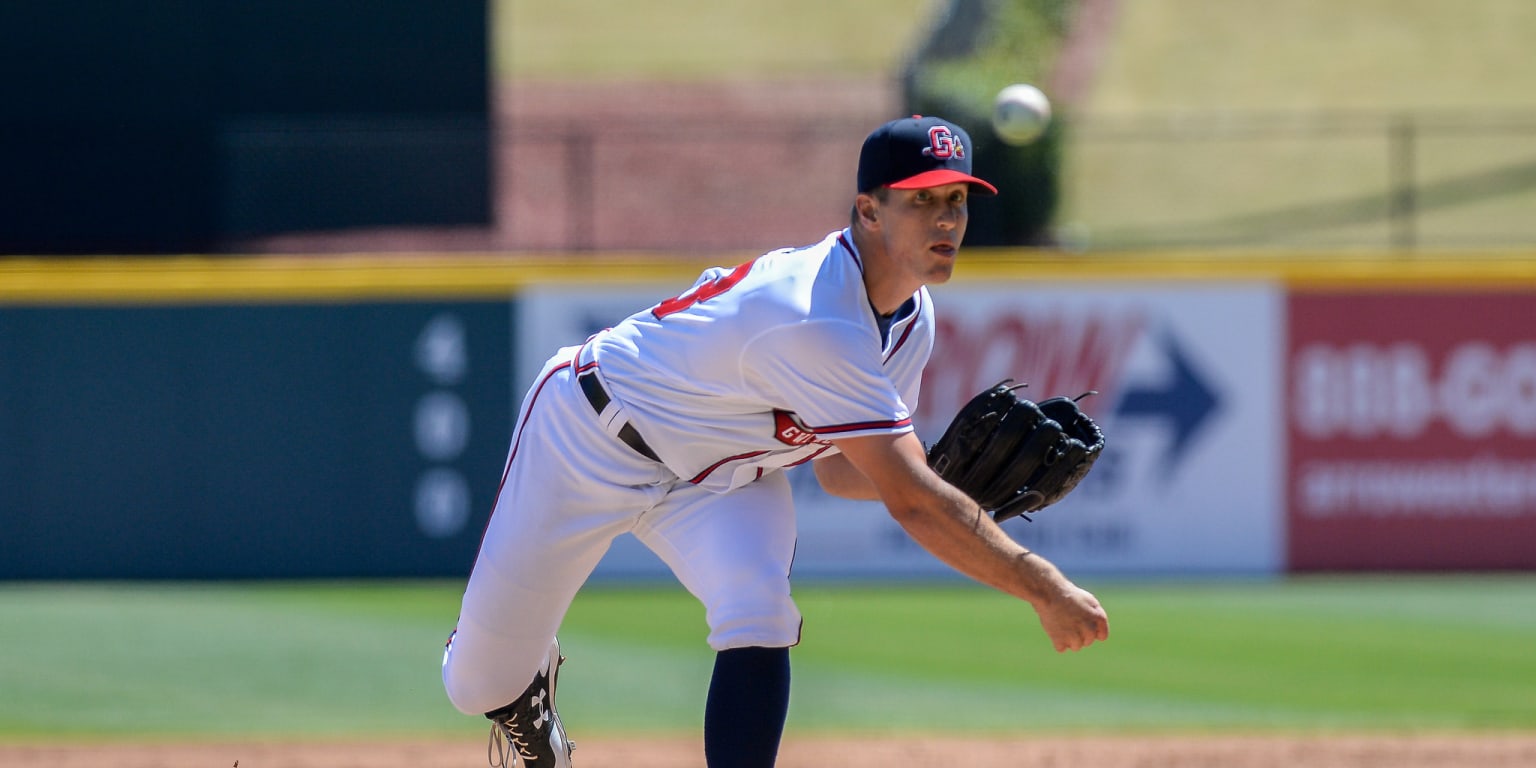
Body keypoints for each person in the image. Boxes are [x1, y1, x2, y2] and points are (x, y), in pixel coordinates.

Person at [441, 114, 1110, 768]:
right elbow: (909, 503)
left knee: (759, 608)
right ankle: (521, 690)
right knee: (476, 686)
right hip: (589, 437)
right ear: (869, 211)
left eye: (957, 200)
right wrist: (1042, 584)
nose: (946, 220)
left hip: (718, 479)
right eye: (922, 200)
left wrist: (938, 479)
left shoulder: (911, 320)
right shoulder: (812, 314)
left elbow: (843, 473)